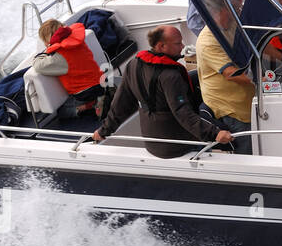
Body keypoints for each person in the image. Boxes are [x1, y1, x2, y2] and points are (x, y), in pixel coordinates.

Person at [93, 25, 232, 158]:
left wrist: (103, 131)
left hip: (152, 139)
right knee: (230, 133)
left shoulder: (133, 64)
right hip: (175, 145)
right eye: (178, 43)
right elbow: (183, 113)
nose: (183, 46)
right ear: (161, 46)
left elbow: (121, 103)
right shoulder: (171, 76)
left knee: (196, 76)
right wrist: (215, 134)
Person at [197, 4, 256, 154]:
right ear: (221, 10)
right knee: (248, 152)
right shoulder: (208, 41)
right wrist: (260, 80)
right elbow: (230, 73)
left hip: (249, 99)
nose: (239, 13)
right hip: (232, 109)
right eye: (235, 9)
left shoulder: (232, 25)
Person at [31, 19, 105, 119]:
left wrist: (46, 52)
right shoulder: (77, 41)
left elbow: (38, 65)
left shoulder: (60, 56)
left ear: (48, 40)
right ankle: (103, 97)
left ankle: (89, 106)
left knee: (63, 112)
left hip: (84, 93)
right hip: (100, 82)